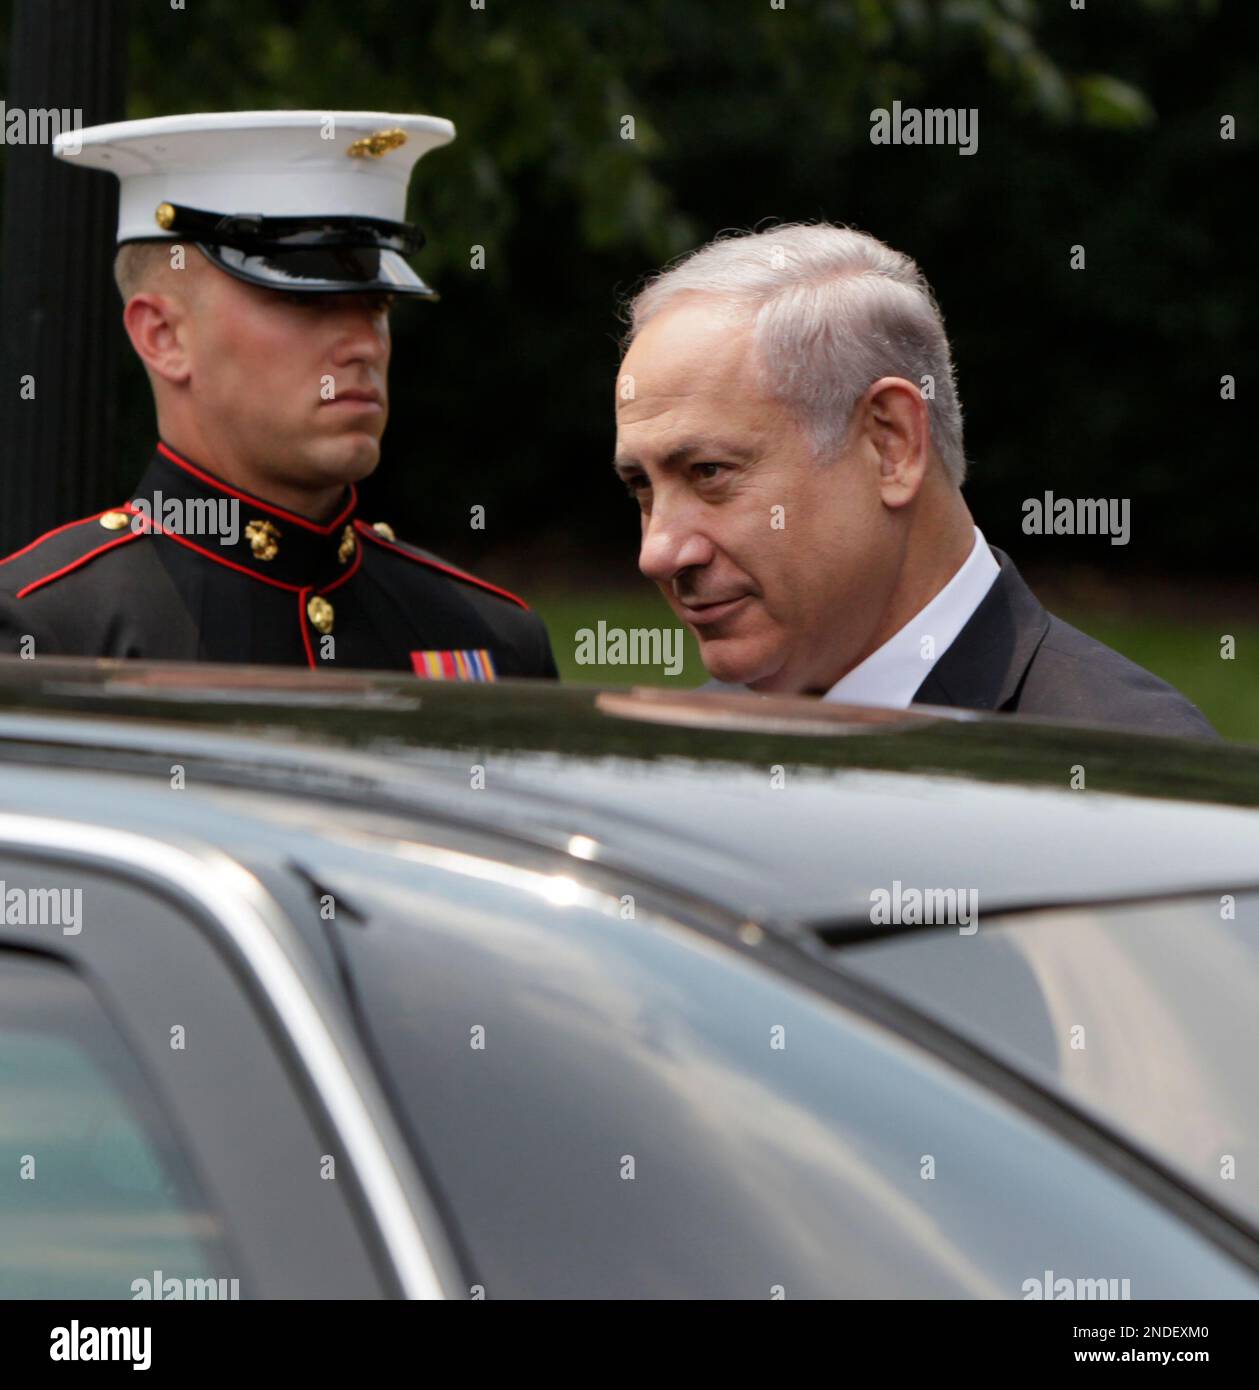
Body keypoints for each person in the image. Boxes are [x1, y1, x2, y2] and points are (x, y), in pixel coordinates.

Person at [0, 111, 557, 681]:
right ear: (164, 337)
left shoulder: (492, 640)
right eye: (304, 300)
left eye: (377, 303)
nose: (366, 343)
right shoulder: (44, 636)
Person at [613, 222, 1215, 737]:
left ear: (890, 443)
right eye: (641, 486)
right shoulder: (693, 748)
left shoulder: (1126, 768)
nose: (658, 552)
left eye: (709, 473)